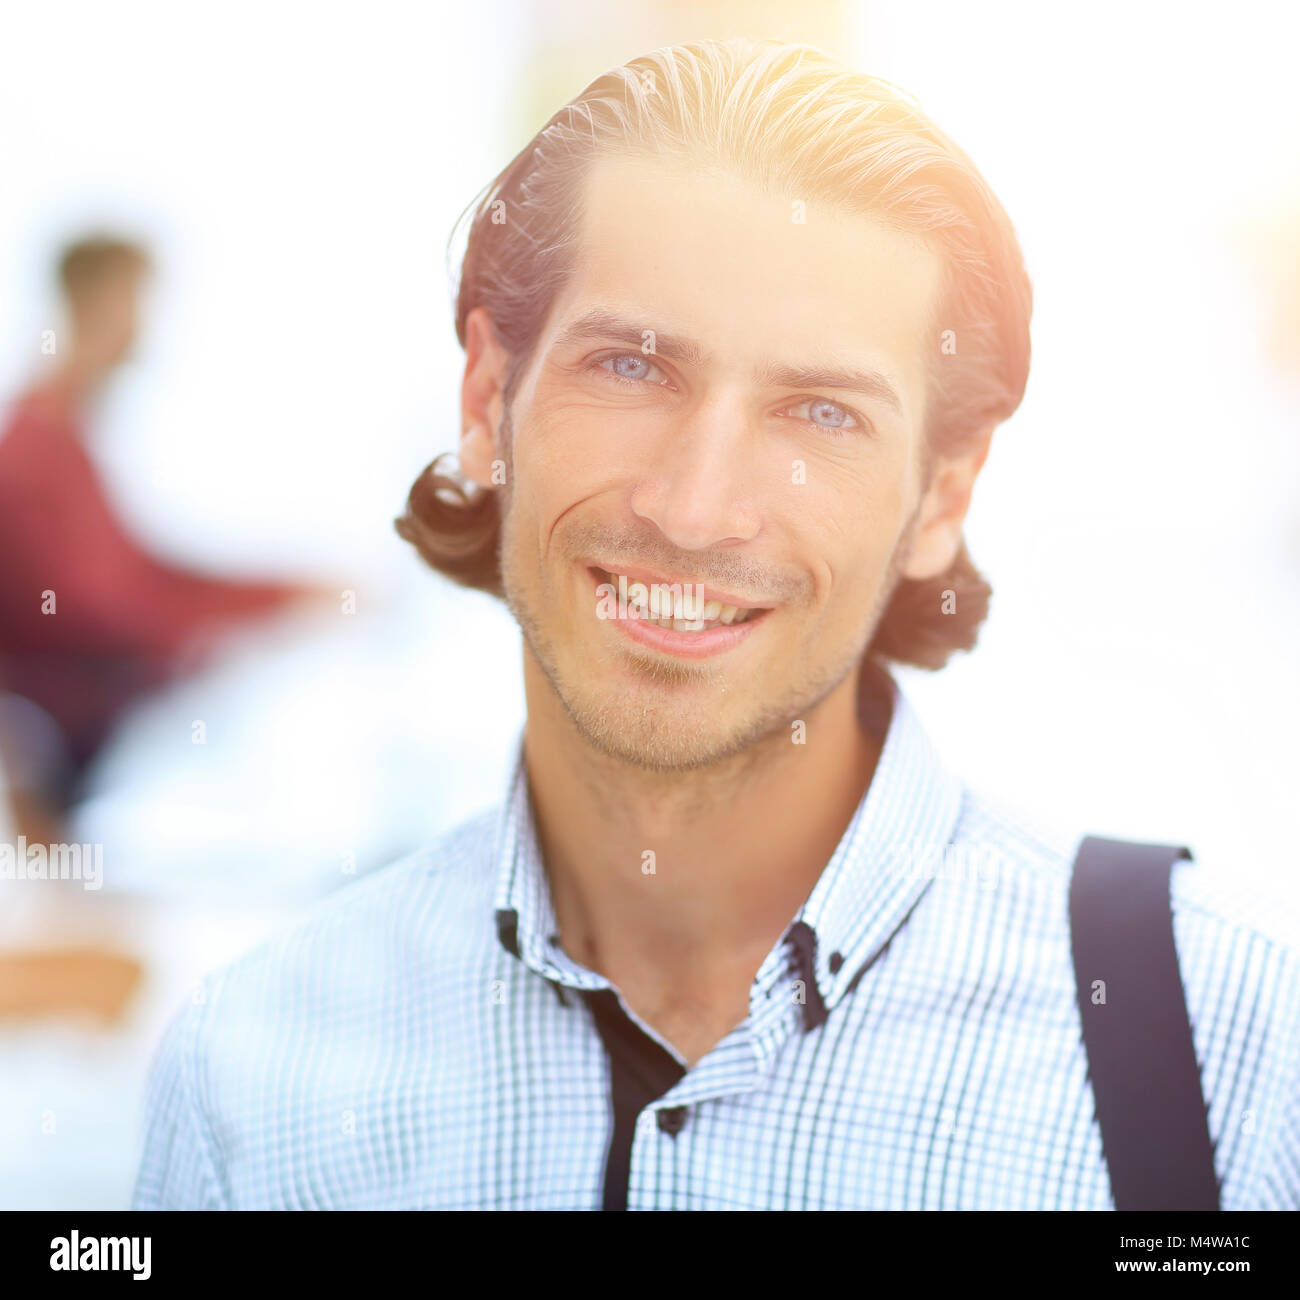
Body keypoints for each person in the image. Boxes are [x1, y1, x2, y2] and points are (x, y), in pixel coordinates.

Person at [133, 38, 1299, 1211]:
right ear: (489, 399)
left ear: (941, 494)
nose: (693, 509)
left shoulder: (1231, 1057)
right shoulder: (249, 1075)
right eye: (632, 366)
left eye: (819, 411)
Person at [0, 235, 315, 818]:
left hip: (107, 750)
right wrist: (255, 618)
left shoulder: (67, 436)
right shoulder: (30, 452)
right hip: (79, 768)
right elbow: (98, 613)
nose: (145, 328)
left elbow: (141, 572)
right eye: (137, 304)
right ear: (90, 304)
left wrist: (287, 592)